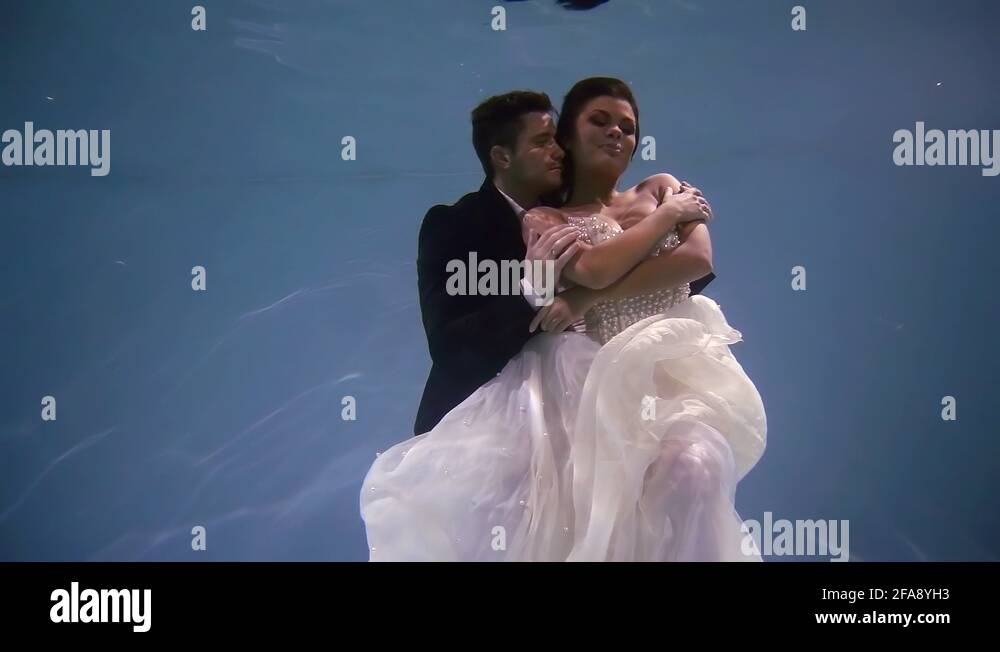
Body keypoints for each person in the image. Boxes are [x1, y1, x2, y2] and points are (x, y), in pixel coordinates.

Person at [361, 80, 764, 561]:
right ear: (502, 156)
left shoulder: (652, 190)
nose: (556, 151)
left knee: (684, 476)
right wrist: (536, 291)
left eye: (628, 128)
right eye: (542, 141)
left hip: (643, 377)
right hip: (505, 409)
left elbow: (691, 271)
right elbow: (451, 343)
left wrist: (592, 294)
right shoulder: (461, 224)